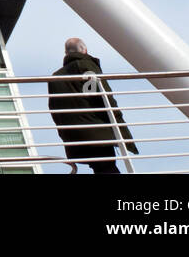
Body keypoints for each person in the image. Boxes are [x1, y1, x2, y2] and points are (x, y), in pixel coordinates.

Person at [48, 37, 138, 173]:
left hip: (74, 137)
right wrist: (121, 127)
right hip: (97, 134)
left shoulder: (55, 78)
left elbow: (55, 110)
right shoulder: (86, 65)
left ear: (66, 53)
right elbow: (104, 97)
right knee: (107, 168)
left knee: (101, 167)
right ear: (84, 50)